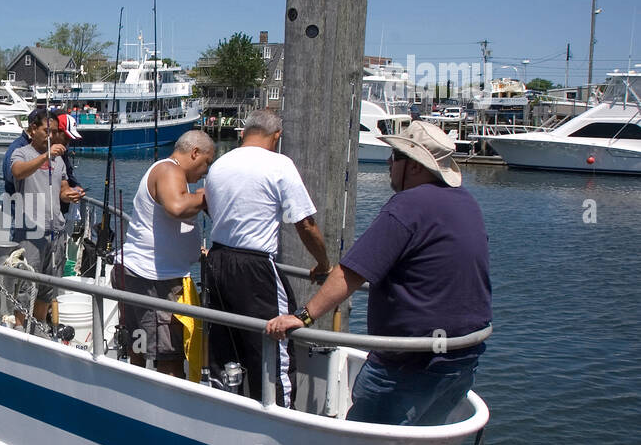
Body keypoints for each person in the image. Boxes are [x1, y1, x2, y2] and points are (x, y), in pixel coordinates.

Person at [265, 121, 491, 425]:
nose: (388, 163)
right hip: (462, 357)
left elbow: (351, 273)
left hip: (410, 363)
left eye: (395, 156)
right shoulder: (467, 202)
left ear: (414, 166)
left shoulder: (408, 205)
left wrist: (303, 316)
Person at [204, 108, 330, 406]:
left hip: (217, 262)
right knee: (273, 344)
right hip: (255, 266)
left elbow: (210, 206)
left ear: (244, 133)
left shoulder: (219, 165)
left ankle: (225, 406)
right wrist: (323, 263)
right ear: (277, 136)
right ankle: (279, 411)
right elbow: (305, 224)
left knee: (225, 346)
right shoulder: (279, 164)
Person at [114, 130, 215, 376]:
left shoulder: (170, 174)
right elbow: (177, 207)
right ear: (195, 153)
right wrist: (205, 196)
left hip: (137, 273)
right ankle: (166, 397)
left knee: (138, 345)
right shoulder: (170, 169)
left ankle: (137, 388)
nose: (206, 172)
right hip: (155, 281)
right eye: (207, 163)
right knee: (168, 356)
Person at [5, 109, 73, 325]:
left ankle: (39, 328)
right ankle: (20, 328)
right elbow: (18, 172)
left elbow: (63, 189)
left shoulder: (59, 160)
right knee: (26, 287)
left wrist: (71, 194)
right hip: (31, 231)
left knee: (47, 288)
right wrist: (46, 156)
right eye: (47, 131)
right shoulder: (21, 153)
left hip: (56, 232)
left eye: (54, 132)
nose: (51, 136)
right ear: (33, 129)